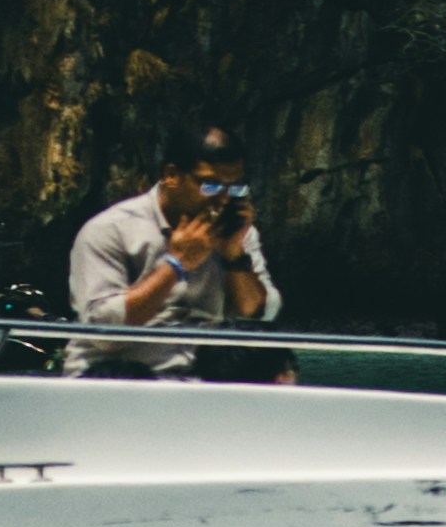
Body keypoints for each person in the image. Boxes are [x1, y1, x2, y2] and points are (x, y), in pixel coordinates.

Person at [68, 114, 285, 360]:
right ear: (171, 175)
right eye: (210, 186)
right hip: (119, 375)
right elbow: (102, 332)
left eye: (234, 188)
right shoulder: (109, 230)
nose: (224, 199)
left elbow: (259, 315)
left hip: (201, 378)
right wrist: (177, 264)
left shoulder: (237, 232)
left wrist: (235, 256)